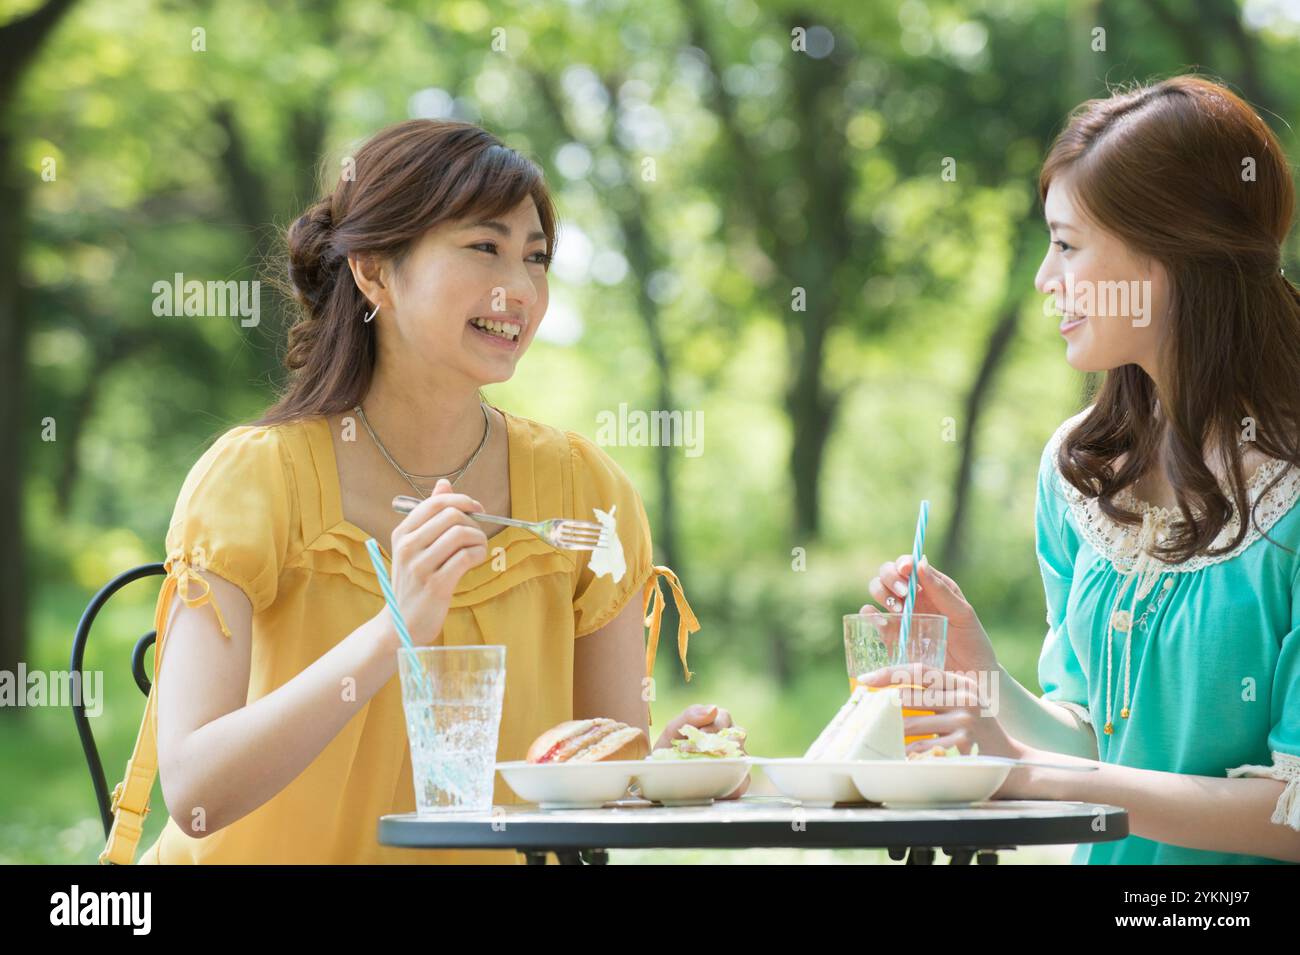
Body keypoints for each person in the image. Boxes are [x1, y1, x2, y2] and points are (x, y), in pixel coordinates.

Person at [101, 119, 747, 865]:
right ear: (376, 271)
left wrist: (663, 770)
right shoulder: (257, 480)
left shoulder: (584, 492)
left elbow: (589, 783)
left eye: (535, 257)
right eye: (485, 247)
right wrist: (395, 628)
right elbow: (196, 793)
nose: (520, 289)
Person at [862, 75, 1300, 863]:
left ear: (1169, 253)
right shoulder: (1083, 473)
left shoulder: (1290, 495)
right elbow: (1093, 730)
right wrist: (980, 668)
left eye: (1066, 244)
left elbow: (1290, 816)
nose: (1044, 278)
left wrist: (1026, 777)